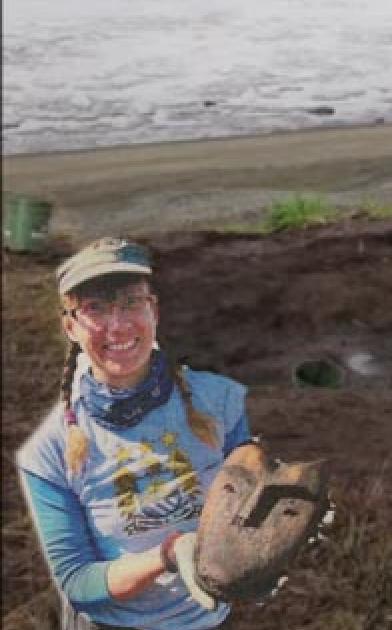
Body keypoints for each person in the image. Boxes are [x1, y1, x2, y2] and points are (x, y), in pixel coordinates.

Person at [16, 237, 250, 630]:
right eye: (95, 308)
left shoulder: (219, 400)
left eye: (131, 303)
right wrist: (169, 555)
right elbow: (78, 582)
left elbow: (244, 492)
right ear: (70, 326)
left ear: (153, 310)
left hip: (210, 619)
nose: (118, 325)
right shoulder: (49, 451)